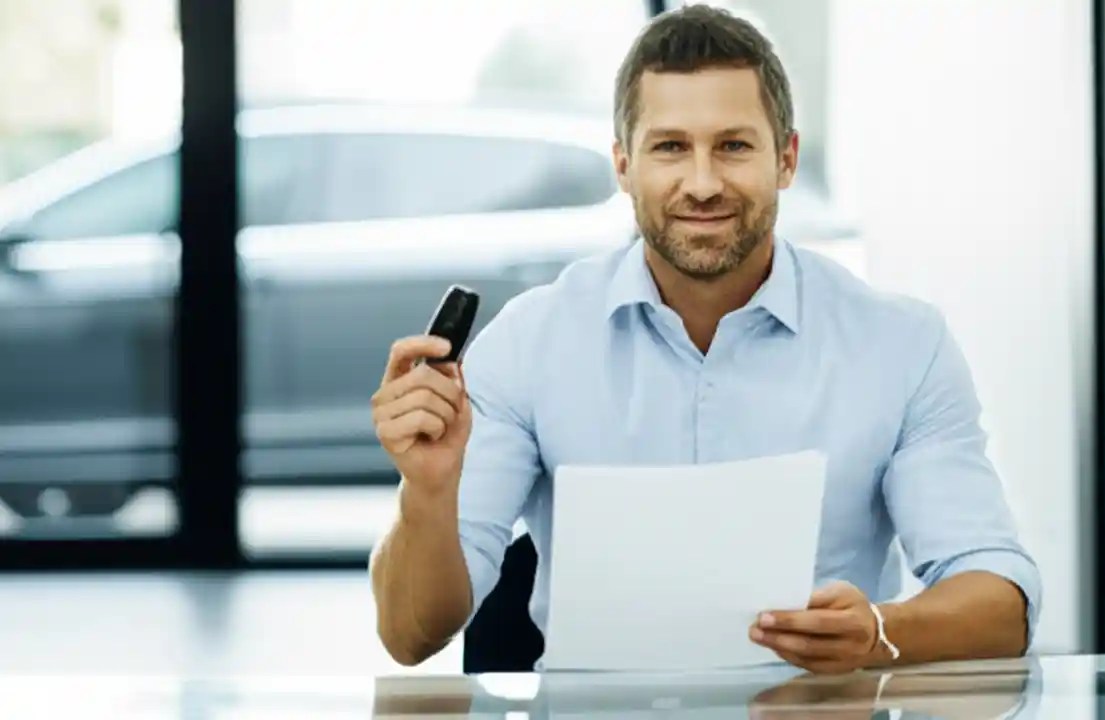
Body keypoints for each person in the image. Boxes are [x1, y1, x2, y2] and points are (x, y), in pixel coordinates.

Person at [369, 3, 1040, 674]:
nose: (702, 183)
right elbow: (411, 636)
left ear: (786, 159)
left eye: (733, 145)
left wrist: (882, 633)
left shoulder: (901, 345)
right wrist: (426, 493)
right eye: (670, 147)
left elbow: (1001, 601)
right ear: (624, 166)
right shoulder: (530, 342)